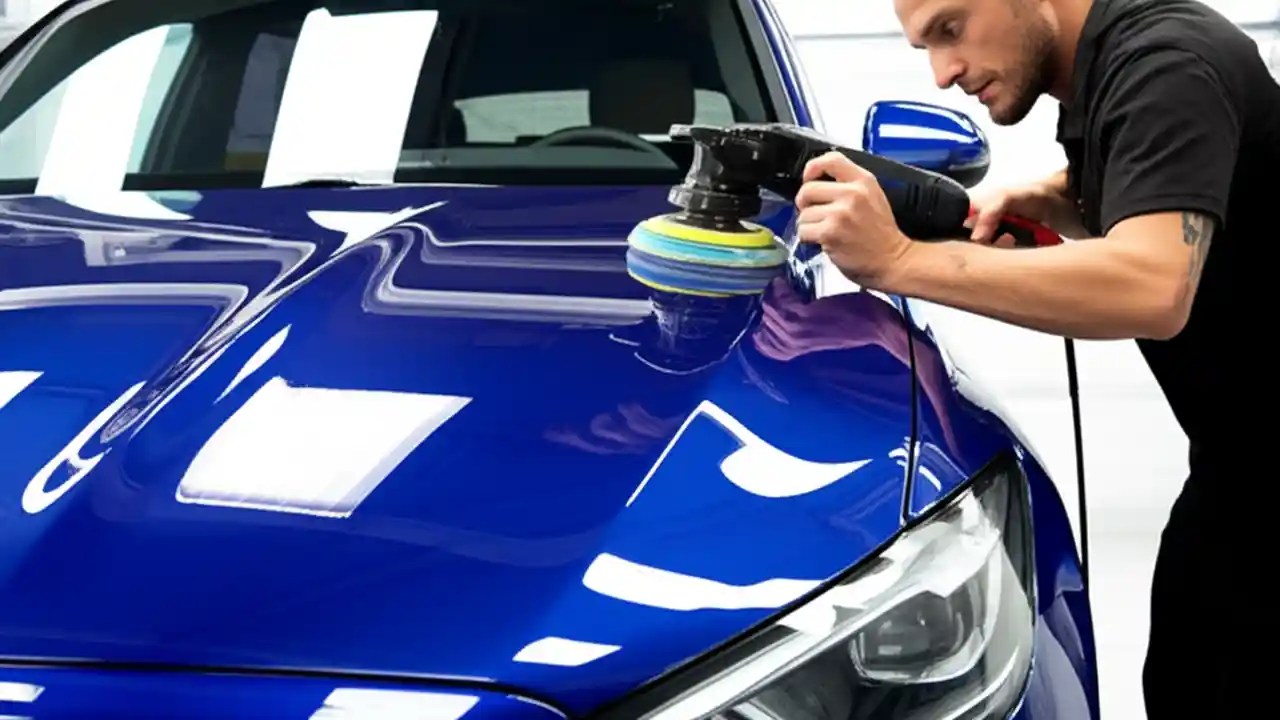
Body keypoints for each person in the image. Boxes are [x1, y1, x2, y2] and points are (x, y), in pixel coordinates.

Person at [793, 0, 1272, 715]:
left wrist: (897, 261)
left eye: (951, 30)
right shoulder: (1120, 70)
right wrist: (1057, 197)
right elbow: (1189, 186)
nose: (943, 73)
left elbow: (1152, 284)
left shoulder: (1167, 65)